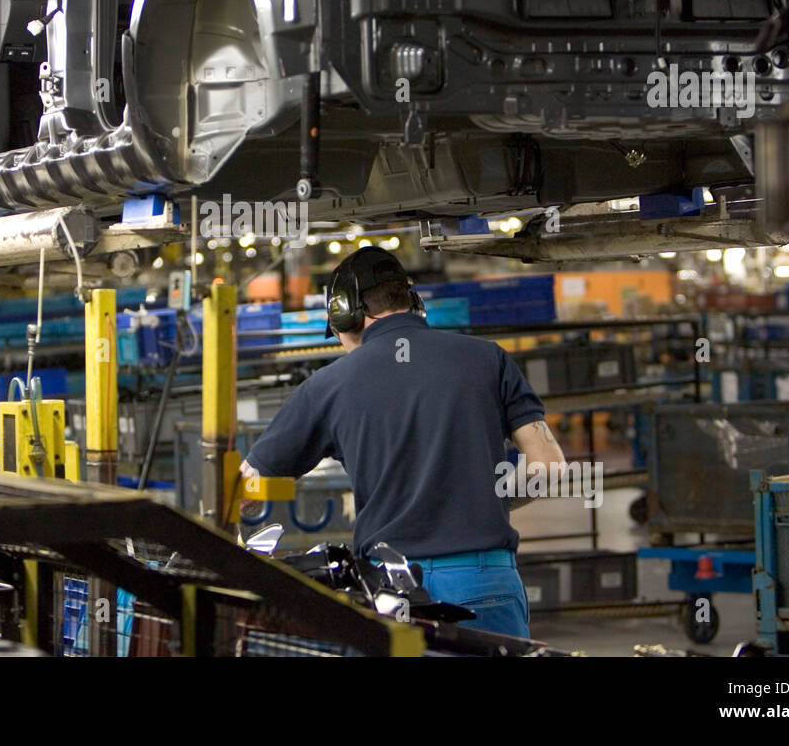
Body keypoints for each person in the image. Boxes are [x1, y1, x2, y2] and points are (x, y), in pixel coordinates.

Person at [240, 246, 566, 638]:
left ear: (346, 314)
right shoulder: (488, 360)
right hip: (485, 581)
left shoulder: (327, 386)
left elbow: (245, 487)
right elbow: (548, 468)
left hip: (393, 589)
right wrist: (489, 498)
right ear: (412, 302)